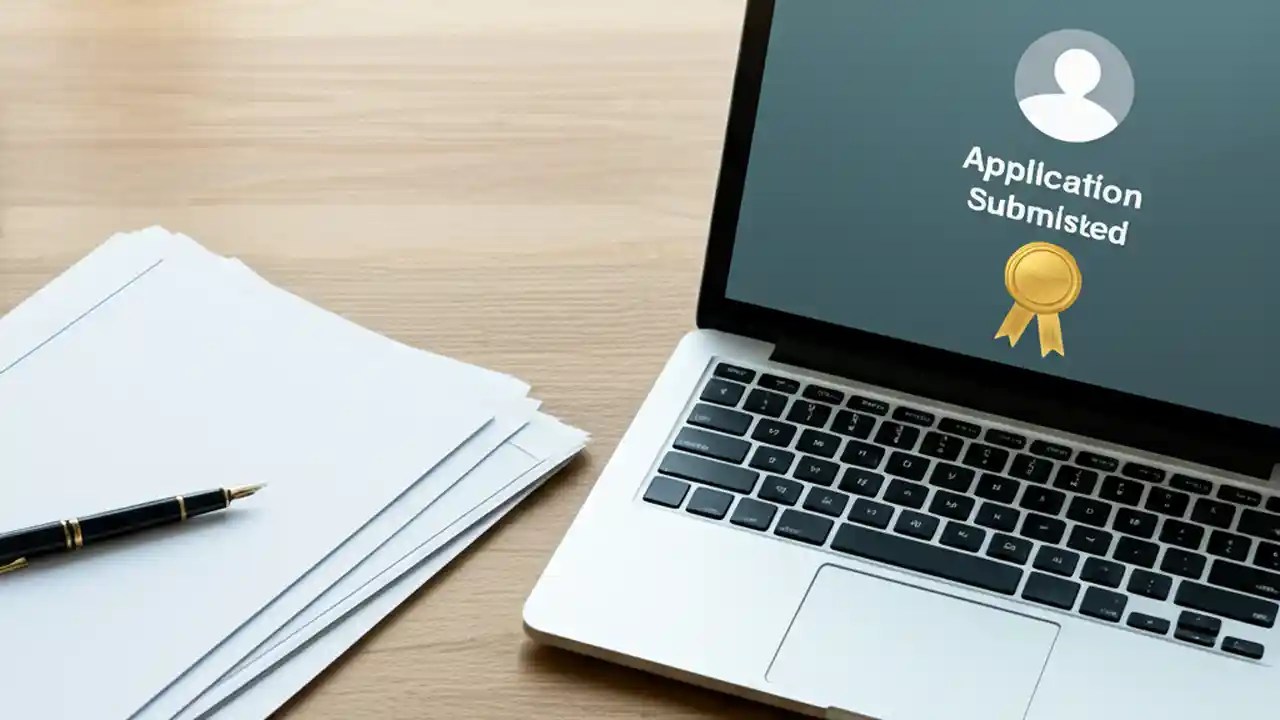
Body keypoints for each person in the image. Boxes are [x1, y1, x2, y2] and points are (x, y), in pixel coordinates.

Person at [1019, 48, 1118, 143]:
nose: (1076, 77)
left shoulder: (1104, 121)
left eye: (1082, 73)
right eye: (1071, 70)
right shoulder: (1033, 106)